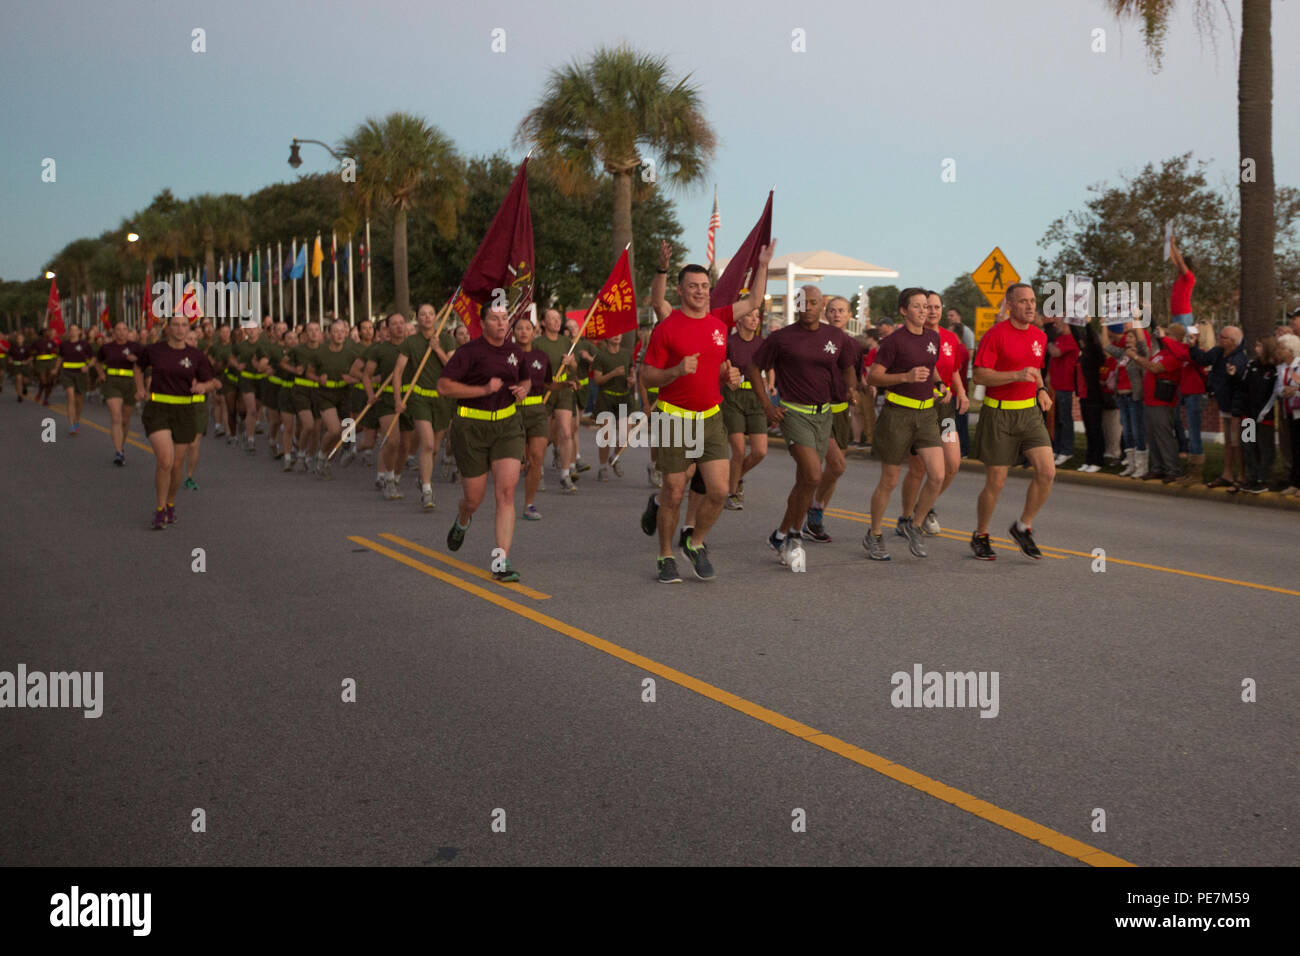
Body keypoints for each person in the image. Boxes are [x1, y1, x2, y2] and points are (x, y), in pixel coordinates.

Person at [640, 239, 774, 583]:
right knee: (673, 491)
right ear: (680, 290)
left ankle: (694, 542)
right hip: (674, 418)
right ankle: (665, 555)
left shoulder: (718, 322)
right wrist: (675, 372)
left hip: (710, 417)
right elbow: (647, 374)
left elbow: (755, 301)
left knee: (718, 490)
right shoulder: (667, 327)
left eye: (704, 286)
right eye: (693, 286)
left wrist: (763, 264)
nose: (700, 291)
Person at [746, 283, 854, 568]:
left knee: (805, 481)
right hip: (793, 413)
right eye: (802, 302)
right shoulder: (782, 338)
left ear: (822, 305)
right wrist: (767, 406)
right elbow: (753, 368)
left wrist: (852, 388)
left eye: (814, 302)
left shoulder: (835, 336)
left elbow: (847, 365)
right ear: (795, 305)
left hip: (824, 415)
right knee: (813, 474)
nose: (808, 307)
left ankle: (780, 533)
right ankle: (795, 534)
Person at [438, 304, 529, 583]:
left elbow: (525, 378)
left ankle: (501, 560)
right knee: (474, 499)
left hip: (507, 426)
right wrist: (482, 390)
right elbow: (444, 387)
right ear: (483, 322)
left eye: (505, 319)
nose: (501, 324)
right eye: (495, 319)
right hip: (471, 427)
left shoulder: (515, 352)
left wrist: (523, 389)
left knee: (506, 492)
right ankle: (463, 518)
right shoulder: (469, 353)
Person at [969, 283, 1055, 560]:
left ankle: (1023, 526)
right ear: (1009, 305)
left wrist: (1040, 389)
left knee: (1047, 472)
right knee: (997, 481)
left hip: (1029, 413)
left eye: (1032, 301)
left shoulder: (1039, 337)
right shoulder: (995, 335)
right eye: (1023, 302)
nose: (1030, 306)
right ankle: (981, 534)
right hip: (999, 413)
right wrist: (1015, 376)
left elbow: (1036, 369)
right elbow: (980, 376)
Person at [862, 288, 944, 561]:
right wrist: (906, 376)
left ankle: (915, 524)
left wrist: (940, 384)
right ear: (903, 310)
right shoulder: (893, 341)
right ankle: (874, 534)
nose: (924, 311)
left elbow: (930, 367)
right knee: (890, 480)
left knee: (937, 475)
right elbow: (874, 377)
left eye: (926, 306)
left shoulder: (934, 337)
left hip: (927, 414)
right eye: (918, 306)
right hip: (897, 413)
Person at [133, 314, 219, 529]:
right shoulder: (154, 350)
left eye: (184, 325)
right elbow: (137, 368)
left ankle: (171, 503)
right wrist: (141, 389)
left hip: (184, 411)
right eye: (175, 325)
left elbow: (212, 381)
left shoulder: (196, 355)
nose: (180, 329)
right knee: (165, 460)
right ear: (168, 328)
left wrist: (203, 387)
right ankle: (160, 509)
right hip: (158, 409)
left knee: (177, 465)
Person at [896, 290, 969, 532]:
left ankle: (925, 507)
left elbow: (955, 370)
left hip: (945, 409)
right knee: (918, 468)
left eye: (938, 307)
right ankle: (906, 518)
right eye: (929, 307)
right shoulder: (913, 337)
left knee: (953, 463)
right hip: (919, 407)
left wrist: (962, 393)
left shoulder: (950, 338)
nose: (933, 311)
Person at [805, 295, 863, 540]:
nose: (837, 314)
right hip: (818, 412)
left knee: (832, 470)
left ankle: (816, 513)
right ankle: (811, 509)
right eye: (832, 310)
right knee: (836, 466)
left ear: (849, 316)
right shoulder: (814, 340)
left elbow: (854, 378)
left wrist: (854, 391)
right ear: (825, 314)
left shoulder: (853, 345)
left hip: (841, 413)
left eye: (842, 310)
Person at [392, 304, 457, 509]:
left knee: (435, 447)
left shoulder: (446, 339)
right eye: (423, 314)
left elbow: (453, 368)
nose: (427, 318)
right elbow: (398, 372)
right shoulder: (410, 342)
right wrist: (398, 399)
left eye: (431, 314)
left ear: (435, 317)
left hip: (442, 399)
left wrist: (437, 349)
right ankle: (427, 490)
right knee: (427, 444)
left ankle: (423, 477)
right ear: (417, 319)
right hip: (419, 398)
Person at [721, 298, 768, 510]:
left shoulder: (762, 344)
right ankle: (731, 494)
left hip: (756, 398)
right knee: (738, 450)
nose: (754, 319)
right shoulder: (729, 342)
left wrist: (772, 384)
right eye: (750, 315)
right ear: (739, 319)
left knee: (759, 452)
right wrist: (726, 377)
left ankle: (735, 477)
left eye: (757, 316)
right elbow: (720, 368)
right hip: (733, 398)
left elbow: (770, 368)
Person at [1189, 323, 1248, 489]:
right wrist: (1193, 345)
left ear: (1233, 341)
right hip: (1225, 405)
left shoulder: (1240, 359)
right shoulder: (1218, 352)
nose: (1219, 338)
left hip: (1239, 409)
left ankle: (1243, 476)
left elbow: (1241, 384)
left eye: (1223, 337)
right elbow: (1202, 359)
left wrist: (1233, 374)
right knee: (1229, 442)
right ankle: (1227, 474)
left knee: (1239, 442)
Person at [365, 314, 413, 499]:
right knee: (393, 441)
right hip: (386, 400)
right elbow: (366, 375)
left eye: (402, 323)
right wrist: (370, 394)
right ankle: (389, 478)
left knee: (405, 446)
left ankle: (396, 477)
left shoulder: (412, 346)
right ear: (387, 328)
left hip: (408, 398)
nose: (399, 327)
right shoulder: (380, 349)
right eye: (394, 324)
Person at [1127, 324, 1184, 482]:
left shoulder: (1175, 355)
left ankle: (1173, 469)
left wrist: (1136, 357)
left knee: (1163, 435)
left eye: (1169, 334)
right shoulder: (1162, 352)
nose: (1165, 337)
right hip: (1150, 400)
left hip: (1162, 401)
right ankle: (1158, 467)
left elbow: (1154, 368)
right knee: (1152, 436)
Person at [512, 313, 556, 520]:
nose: (523, 332)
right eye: (519, 328)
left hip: (538, 410)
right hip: (513, 411)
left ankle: (529, 504)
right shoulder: (506, 355)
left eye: (527, 328)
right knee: (518, 463)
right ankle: (506, 500)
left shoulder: (542, 356)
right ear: (513, 332)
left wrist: (566, 384)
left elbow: (549, 383)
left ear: (534, 332)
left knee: (536, 459)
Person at [310, 319, 363, 480]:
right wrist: (319, 379)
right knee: (334, 430)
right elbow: (308, 373)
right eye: (336, 331)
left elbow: (361, 376)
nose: (339, 334)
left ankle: (329, 457)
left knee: (347, 429)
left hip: (344, 394)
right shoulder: (320, 352)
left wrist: (352, 380)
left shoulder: (351, 353)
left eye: (342, 331)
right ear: (329, 334)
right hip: (325, 394)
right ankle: (320, 456)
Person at [535, 308, 580, 493]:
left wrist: (571, 362)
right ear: (543, 322)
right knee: (542, 436)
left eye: (558, 318)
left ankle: (565, 474)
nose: (555, 321)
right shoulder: (537, 344)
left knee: (566, 433)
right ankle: (538, 473)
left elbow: (575, 368)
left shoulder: (566, 342)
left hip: (564, 390)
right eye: (551, 318)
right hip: (545, 390)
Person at [590, 332, 634, 481]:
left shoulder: (627, 354)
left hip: (623, 397)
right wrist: (613, 373)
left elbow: (632, 374)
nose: (617, 336)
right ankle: (602, 467)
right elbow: (597, 380)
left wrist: (631, 380)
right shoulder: (601, 356)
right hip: (606, 397)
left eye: (619, 333)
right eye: (614, 334)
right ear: (607, 337)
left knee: (625, 434)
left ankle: (614, 458)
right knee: (606, 435)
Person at [1240, 336, 1281, 493]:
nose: (1256, 349)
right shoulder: (1252, 365)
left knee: (1264, 448)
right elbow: (1243, 387)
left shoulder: (1274, 370)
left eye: (1260, 346)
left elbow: (1273, 394)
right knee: (1248, 446)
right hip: (1248, 416)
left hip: (1264, 417)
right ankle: (1252, 476)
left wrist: (1264, 412)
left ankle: (1263, 479)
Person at [96, 322, 140, 464]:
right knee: (116, 416)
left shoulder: (135, 347)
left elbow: (144, 365)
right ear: (114, 332)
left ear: (128, 331)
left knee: (125, 419)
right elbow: (97, 362)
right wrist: (101, 373)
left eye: (124, 329)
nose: (121, 332)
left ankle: (121, 445)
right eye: (118, 330)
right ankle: (118, 452)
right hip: (112, 382)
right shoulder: (107, 347)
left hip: (129, 383)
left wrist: (136, 360)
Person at [1266, 333, 1300, 495]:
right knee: (1293, 447)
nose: (1278, 351)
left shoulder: (1298, 366)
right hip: (1288, 412)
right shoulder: (1281, 368)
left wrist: (1295, 391)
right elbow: (1278, 388)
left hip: (1297, 410)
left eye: (1282, 348)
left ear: (1291, 349)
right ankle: (1294, 482)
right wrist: (1285, 390)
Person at [227, 322, 264, 453]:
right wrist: (237, 365)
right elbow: (231, 357)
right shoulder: (241, 346)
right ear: (246, 332)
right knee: (252, 409)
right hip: (246, 379)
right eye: (249, 330)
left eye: (254, 329)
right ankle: (250, 439)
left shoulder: (264, 345)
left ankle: (247, 427)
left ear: (259, 330)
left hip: (261, 380)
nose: (252, 332)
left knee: (257, 409)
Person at [1046, 319, 1079, 464]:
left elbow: (1056, 352)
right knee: (1055, 419)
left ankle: (1066, 450)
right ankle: (1056, 448)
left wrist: (1047, 341)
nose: (1055, 325)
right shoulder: (1059, 339)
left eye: (1058, 323)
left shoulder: (1071, 340)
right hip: (1055, 384)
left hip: (1065, 385)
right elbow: (1053, 359)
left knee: (1065, 419)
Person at [54, 324, 95, 434]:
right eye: (71, 330)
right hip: (67, 373)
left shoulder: (84, 344)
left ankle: (77, 420)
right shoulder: (64, 345)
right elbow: (60, 357)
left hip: (80, 374)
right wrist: (55, 369)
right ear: (68, 332)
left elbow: (93, 358)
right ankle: (71, 424)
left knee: (79, 400)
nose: (73, 332)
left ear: (79, 332)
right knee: (70, 397)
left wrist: (87, 366)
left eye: (75, 330)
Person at [181, 327, 208, 490]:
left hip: (198, 404)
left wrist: (204, 385)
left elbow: (211, 381)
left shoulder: (201, 359)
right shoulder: (172, 358)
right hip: (178, 404)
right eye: (190, 339)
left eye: (195, 339)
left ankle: (189, 476)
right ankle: (175, 468)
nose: (193, 342)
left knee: (194, 443)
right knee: (180, 444)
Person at [1169, 232, 1196, 327]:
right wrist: (1169, 245)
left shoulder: (1189, 277)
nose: (1177, 266)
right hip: (1176, 314)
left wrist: (1173, 244)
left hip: (1183, 315)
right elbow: (1174, 259)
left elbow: (1179, 262)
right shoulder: (1180, 277)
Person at [32, 327, 59, 406]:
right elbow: (31, 351)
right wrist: (37, 352)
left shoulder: (51, 342)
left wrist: (54, 351)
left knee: (50, 382)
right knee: (43, 381)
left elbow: (57, 351)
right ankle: (40, 393)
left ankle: (46, 399)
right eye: (47, 332)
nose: (49, 333)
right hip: (40, 363)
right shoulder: (37, 342)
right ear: (42, 333)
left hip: (51, 363)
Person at [8, 331, 32, 401]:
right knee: (18, 379)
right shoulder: (13, 347)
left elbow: (31, 357)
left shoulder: (26, 347)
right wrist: (10, 360)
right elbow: (10, 356)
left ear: (23, 339)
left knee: (25, 381)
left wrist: (27, 361)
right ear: (16, 339)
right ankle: (19, 395)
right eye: (18, 338)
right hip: (16, 365)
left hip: (24, 366)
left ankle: (24, 387)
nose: (20, 340)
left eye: (21, 338)